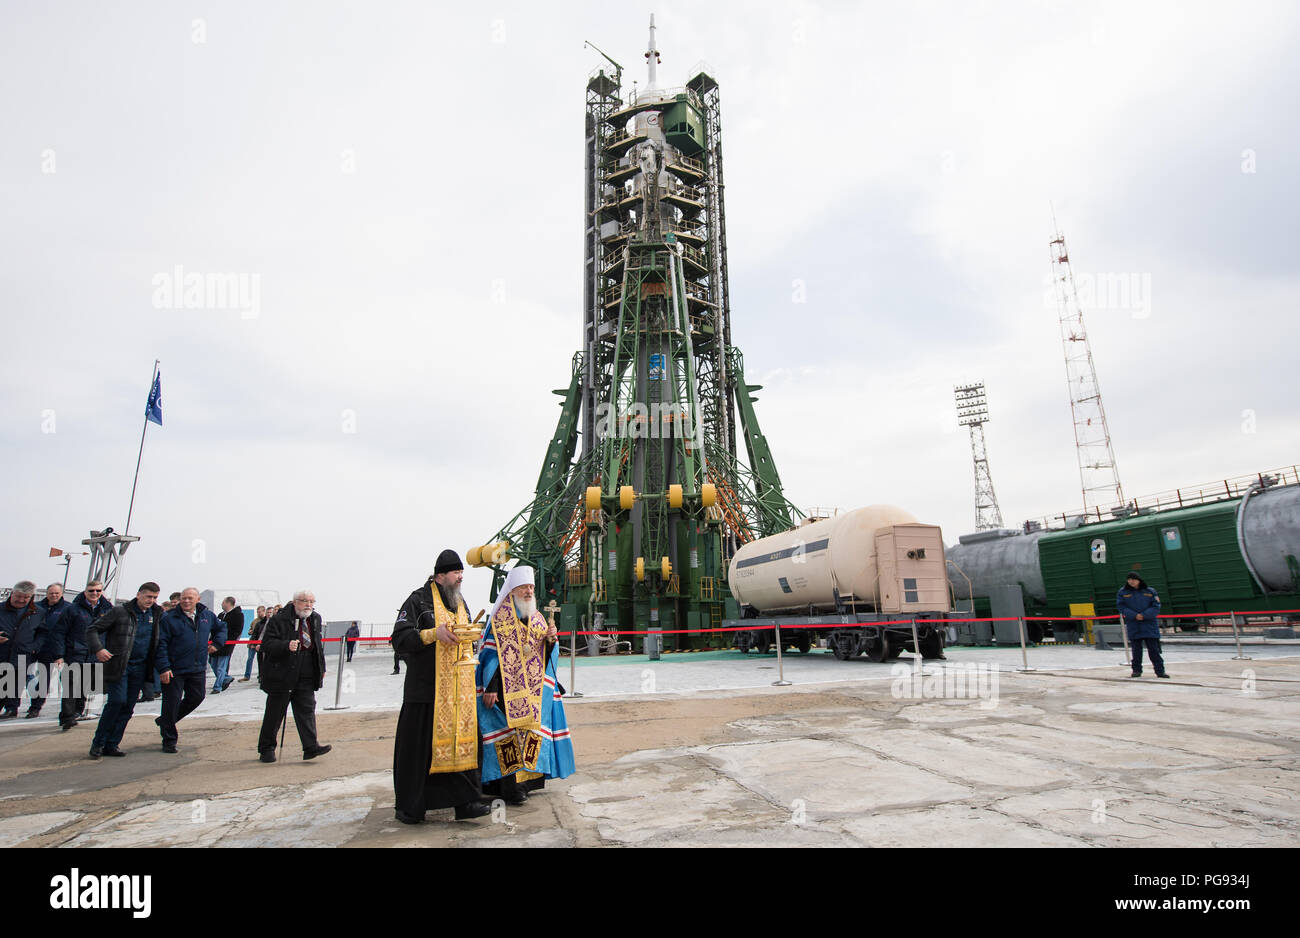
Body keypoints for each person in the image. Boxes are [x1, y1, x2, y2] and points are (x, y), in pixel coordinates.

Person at [390, 549, 488, 823]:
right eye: (456, 573)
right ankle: (411, 807)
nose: (460, 578)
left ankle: (466, 802)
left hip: (459, 693)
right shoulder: (418, 601)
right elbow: (400, 639)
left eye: (461, 573)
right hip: (426, 691)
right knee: (419, 751)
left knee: (462, 747)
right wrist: (434, 634)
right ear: (440, 575)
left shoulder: (460, 602)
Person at [477, 565, 575, 805]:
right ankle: (509, 788)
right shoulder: (500, 618)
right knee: (507, 736)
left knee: (529, 734)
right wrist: (490, 687)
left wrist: (551, 640)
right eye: (524, 587)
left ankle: (527, 784)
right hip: (502, 690)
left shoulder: (539, 619)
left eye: (531, 587)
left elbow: (546, 655)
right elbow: (491, 656)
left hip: (532, 691)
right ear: (513, 590)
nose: (529, 592)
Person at [86, 582, 162, 758]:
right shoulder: (120, 612)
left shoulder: (156, 614)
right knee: (116, 702)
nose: (151, 600)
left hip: (141, 667)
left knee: (128, 706)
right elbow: (93, 630)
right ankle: (99, 742)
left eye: (155, 597)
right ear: (138, 594)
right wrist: (99, 649)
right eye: (148, 596)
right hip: (120, 665)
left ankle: (112, 744)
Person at [255, 591, 331, 763]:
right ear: (295, 602)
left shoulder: (315, 618)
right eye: (304, 601)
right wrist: (285, 645)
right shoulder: (279, 619)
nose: (308, 605)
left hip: (306, 672)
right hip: (282, 672)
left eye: (312, 601)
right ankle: (266, 749)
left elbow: (317, 645)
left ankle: (310, 747)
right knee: (275, 713)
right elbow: (266, 644)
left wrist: (321, 667)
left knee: (306, 710)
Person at [154, 587, 226, 753]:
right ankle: (169, 740)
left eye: (190, 598)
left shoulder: (207, 616)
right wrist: (164, 667)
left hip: (197, 668)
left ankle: (165, 721)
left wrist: (217, 643)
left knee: (197, 697)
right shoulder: (169, 618)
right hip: (174, 669)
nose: (186, 601)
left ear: (197, 600)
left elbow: (222, 628)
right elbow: (161, 644)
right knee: (171, 703)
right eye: (184, 598)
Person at [55, 580, 112, 730]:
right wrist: (59, 654)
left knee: (85, 687)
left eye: (98, 591)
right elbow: (60, 632)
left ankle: (77, 711)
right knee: (70, 686)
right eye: (91, 590)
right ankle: (67, 717)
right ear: (85, 591)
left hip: (95, 656)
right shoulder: (72, 609)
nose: (94, 593)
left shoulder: (108, 609)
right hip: (75, 653)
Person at [0, 582, 45, 720]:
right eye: (18, 596)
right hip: (2, 651)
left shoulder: (38, 612)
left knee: (16, 682)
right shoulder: (1, 608)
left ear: (31, 597)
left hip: (22, 653)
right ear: (12, 593)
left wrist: (34, 647)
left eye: (25, 597)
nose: (21, 600)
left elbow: (42, 633)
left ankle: (12, 709)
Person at [26, 583, 71, 718]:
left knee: (44, 678)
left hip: (51, 649)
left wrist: (61, 652)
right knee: (20, 673)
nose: (54, 595)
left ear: (61, 593)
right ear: (47, 593)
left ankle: (35, 707)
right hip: (33, 647)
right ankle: (12, 706)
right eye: (51, 593)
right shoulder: (36, 606)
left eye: (57, 593)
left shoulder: (68, 608)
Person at [1118, 571, 1168, 679]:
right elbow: (1121, 607)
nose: (1131, 581)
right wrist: (1134, 615)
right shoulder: (1123, 592)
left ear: (1139, 580)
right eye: (1129, 579)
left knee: (1154, 650)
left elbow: (1156, 606)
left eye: (1133, 579)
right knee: (1136, 651)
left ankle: (1160, 671)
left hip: (1149, 624)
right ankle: (1136, 670)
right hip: (1134, 625)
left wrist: (1144, 615)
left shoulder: (1150, 591)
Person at [211, 597, 244, 693]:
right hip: (216, 643)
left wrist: (228, 641)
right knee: (213, 664)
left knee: (221, 666)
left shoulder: (238, 615)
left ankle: (217, 687)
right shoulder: (220, 615)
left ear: (228, 603)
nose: (221, 604)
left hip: (227, 644)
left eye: (223, 602)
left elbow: (238, 630)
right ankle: (226, 678)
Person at [239, 605, 268, 682]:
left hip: (261, 643)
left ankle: (261, 675)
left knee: (261, 660)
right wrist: (250, 633)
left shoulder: (267, 621)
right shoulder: (255, 621)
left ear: (264, 611)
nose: (258, 613)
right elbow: (251, 630)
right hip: (253, 642)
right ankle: (247, 675)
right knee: (250, 659)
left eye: (260, 612)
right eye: (257, 612)